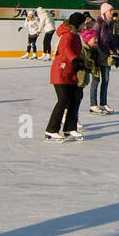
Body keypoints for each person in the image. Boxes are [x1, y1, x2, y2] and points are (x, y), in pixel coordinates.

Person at [45, 11, 87, 141]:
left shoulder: (74, 35)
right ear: (77, 24)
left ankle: (70, 127)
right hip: (61, 73)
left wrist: (81, 62)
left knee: (74, 99)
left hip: (70, 73)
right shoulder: (68, 35)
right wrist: (75, 60)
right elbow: (66, 50)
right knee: (63, 100)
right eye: (83, 24)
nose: (84, 26)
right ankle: (51, 129)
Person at [90, 4, 116, 114]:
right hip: (96, 56)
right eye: (110, 10)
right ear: (104, 12)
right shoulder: (97, 24)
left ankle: (103, 103)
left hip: (105, 56)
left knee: (106, 79)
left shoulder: (110, 24)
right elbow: (93, 40)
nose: (112, 12)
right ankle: (93, 104)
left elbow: (110, 42)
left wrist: (117, 52)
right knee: (96, 80)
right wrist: (95, 54)